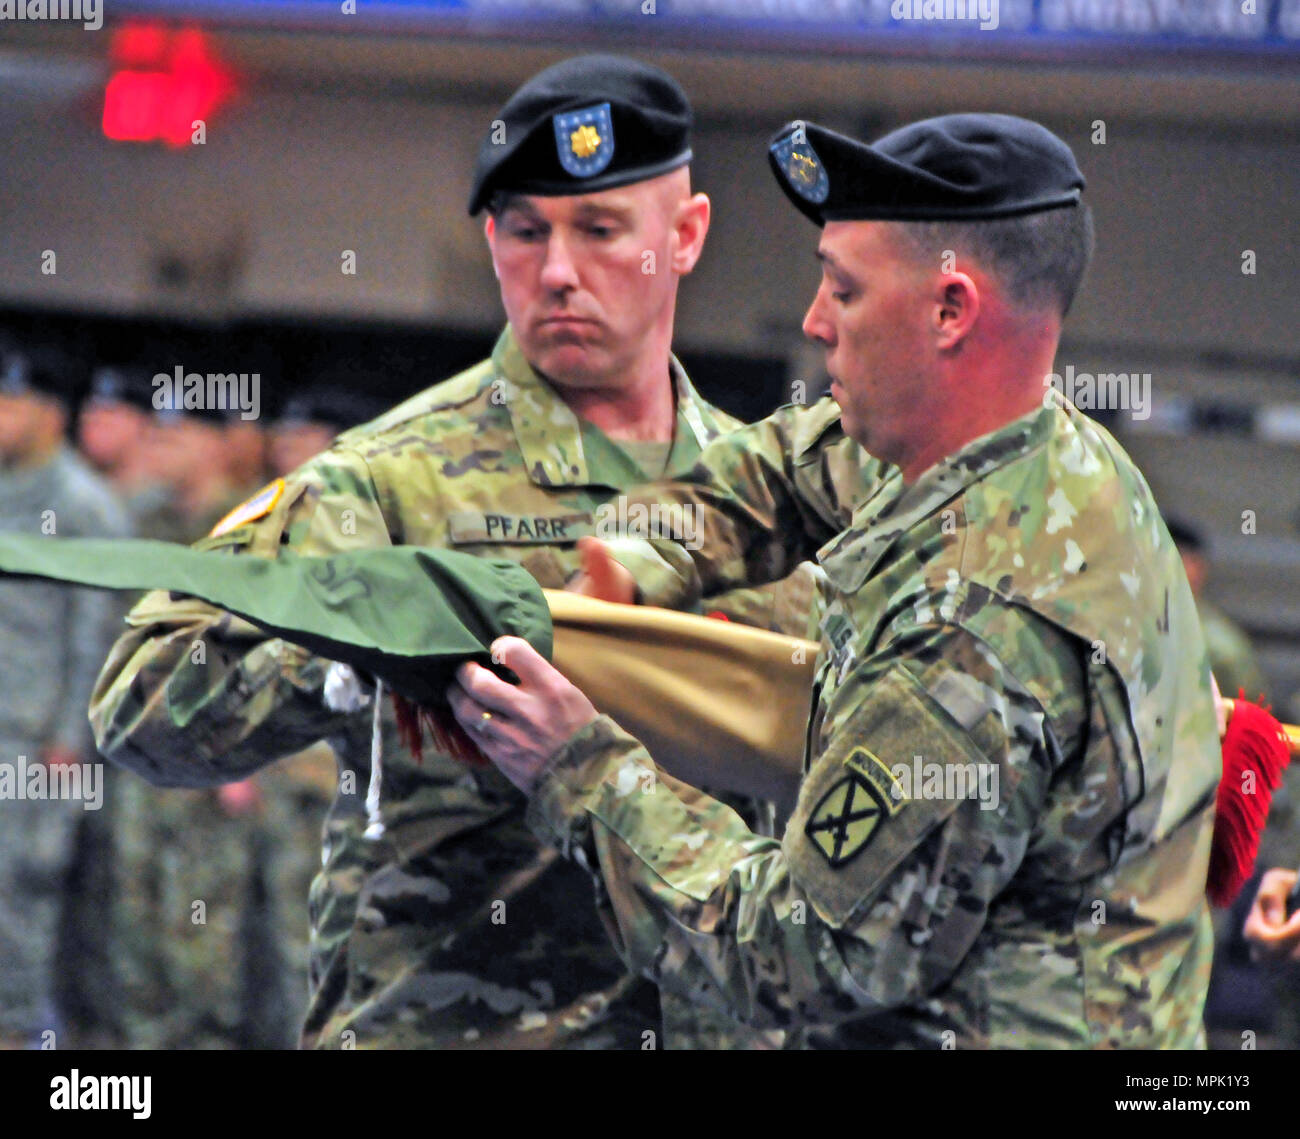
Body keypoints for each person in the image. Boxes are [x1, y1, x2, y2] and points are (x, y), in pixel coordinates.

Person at [448, 113, 1223, 1048]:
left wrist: (574, 765)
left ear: (950, 309)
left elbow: (798, 954)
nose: (815, 320)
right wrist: (636, 561)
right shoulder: (1030, 450)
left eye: (844, 290)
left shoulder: (976, 629)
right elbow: (785, 466)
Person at [91, 54, 816, 1049]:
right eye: (524, 231)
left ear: (684, 234)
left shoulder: (773, 498)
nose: (558, 270)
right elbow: (139, 702)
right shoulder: (389, 481)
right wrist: (354, 652)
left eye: (601, 230)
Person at [0, 347, 130, 1047]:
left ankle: (20, 1029)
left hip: (37, 736)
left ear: (51, 414)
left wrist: (68, 740)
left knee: (23, 889)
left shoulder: (83, 505)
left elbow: (96, 635)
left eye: (11, 403)